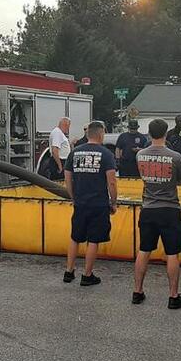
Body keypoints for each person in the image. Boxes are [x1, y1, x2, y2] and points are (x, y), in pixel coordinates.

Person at [133, 119, 181, 309]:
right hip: (169, 209)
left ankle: (137, 291)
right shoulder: (175, 156)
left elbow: (144, 177)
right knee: (172, 253)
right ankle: (173, 296)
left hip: (148, 208)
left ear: (149, 134)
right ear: (166, 134)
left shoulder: (140, 155)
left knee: (144, 250)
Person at [64, 121, 118, 286]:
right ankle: (87, 275)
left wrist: (73, 197)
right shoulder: (106, 154)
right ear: (101, 134)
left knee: (75, 237)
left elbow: (67, 179)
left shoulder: (75, 153)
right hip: (98, 204)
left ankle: (69, 271)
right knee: (93, 240)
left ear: (88, 134)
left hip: (80, 203)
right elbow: (112, 182)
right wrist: (113, 202)